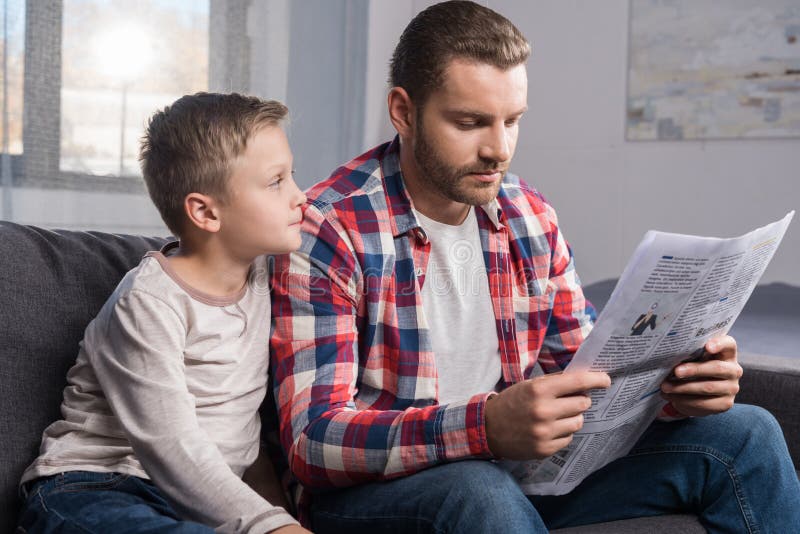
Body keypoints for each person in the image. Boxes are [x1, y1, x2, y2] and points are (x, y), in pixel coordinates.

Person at [270, 2, 800, 533]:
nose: (498, 149)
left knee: (747, 433)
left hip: (514, 467)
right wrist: (484, 429)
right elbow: (311, 441)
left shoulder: (528, 213)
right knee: (478, 489)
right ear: (403, 112)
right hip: (379, 493)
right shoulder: (328, 228)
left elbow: (587, 375)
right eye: (470, 122)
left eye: (512, 121)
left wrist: (677, 388)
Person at [17, 93, 310, 533]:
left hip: (197, 502)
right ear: (205, 211)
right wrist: (270, 526)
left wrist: (280, 514)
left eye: (292, 176)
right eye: (276, 182)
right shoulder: (149, 302)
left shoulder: (267, 279)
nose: (299, 196)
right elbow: (171, 443)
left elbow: (243, 434)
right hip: (97, 488)